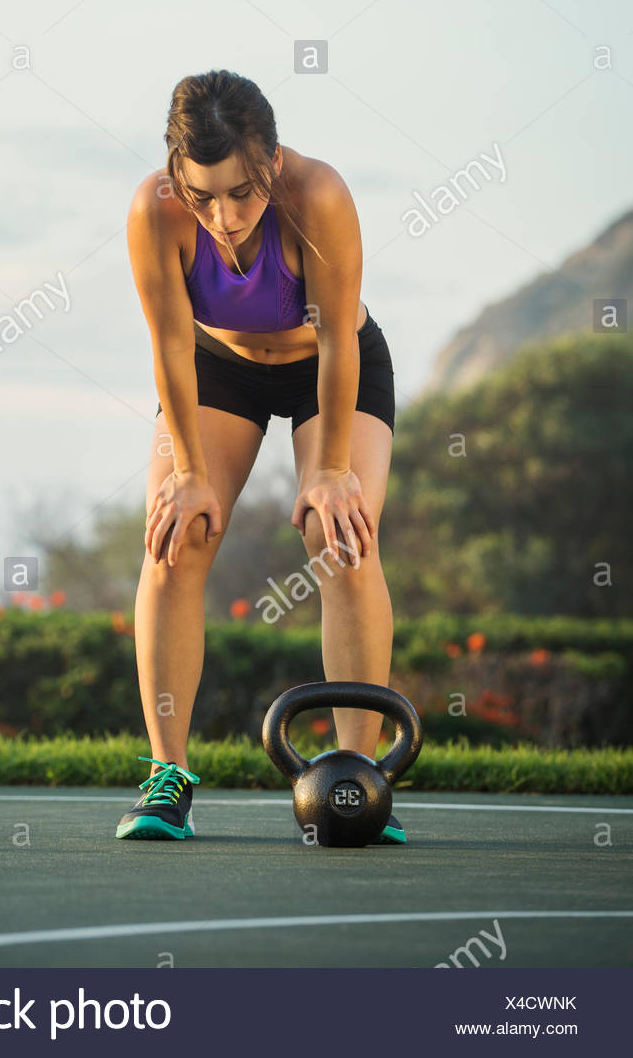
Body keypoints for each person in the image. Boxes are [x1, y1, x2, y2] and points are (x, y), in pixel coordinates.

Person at [117, 70, 403, 845]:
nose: (225, 216)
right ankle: (167, 777)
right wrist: (187, 475)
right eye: (203, 196)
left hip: (328, 363)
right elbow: (172, 344)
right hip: (217, 367)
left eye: (241, 193)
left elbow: (339, 339)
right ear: (178, 174)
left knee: (340, 537)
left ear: (271, 163)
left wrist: (332, 471)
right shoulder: (155, 212)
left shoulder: (320, 196)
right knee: (176, 538)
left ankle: (358, 777)